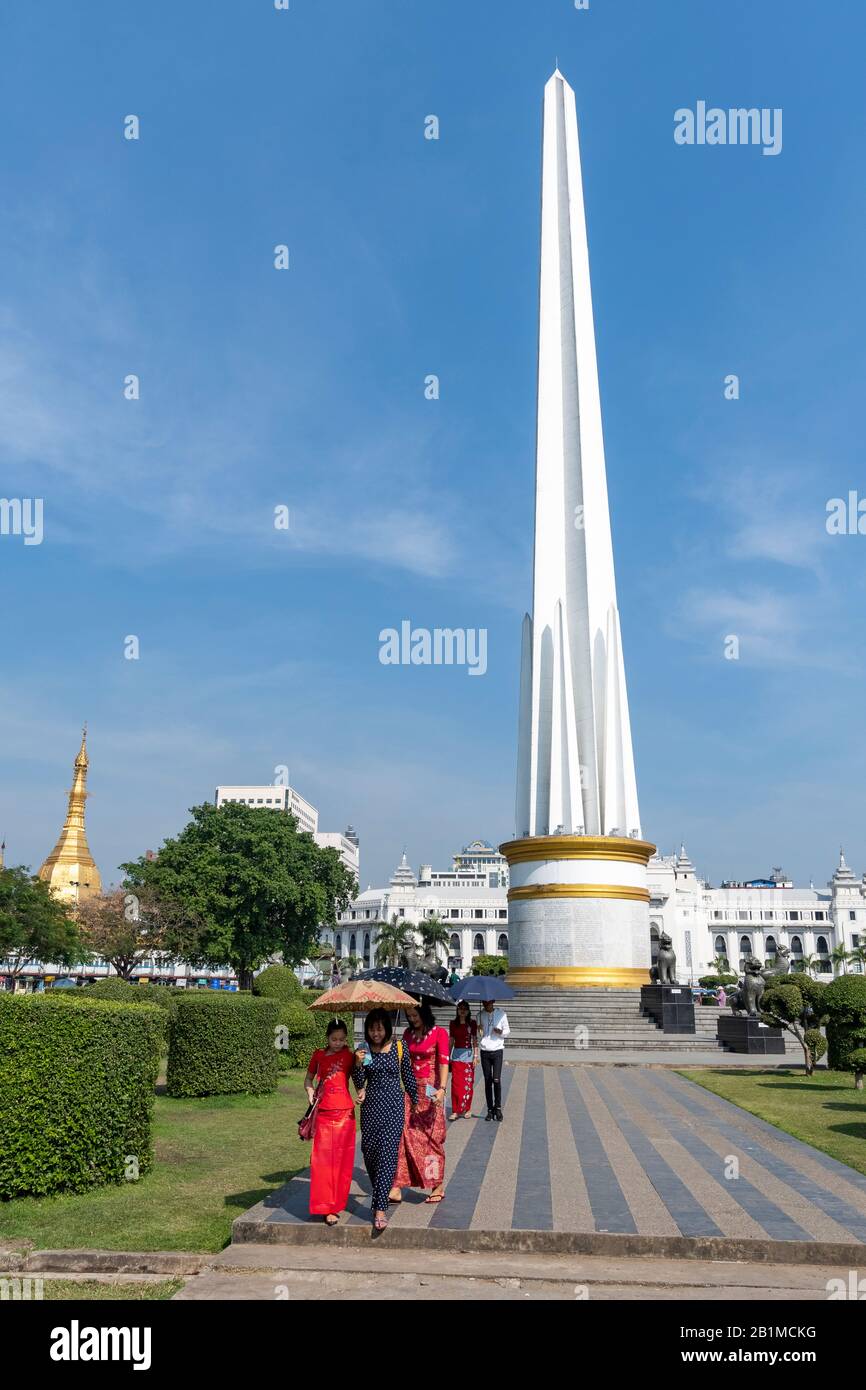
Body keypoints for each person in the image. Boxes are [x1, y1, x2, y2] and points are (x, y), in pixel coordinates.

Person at [353, 1008, 418, 1231]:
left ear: (387, 1028)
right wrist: (358, 1064)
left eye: (379, 1028)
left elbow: (408, 1076)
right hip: (371, 1107)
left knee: (388, 1154)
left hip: (393, 1107)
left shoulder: (399, 1047)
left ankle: (380, 1209)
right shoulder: (363, 1049)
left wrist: (416, 1100)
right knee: (369, 1153)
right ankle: (381, 1191)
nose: (376, 1033)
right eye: (371, 1028)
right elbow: (359, 1082)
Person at [392, 999, 450, 1203]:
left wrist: (442, 1089)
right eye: (409, 1016)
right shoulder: (407, 1035)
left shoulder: (439, 1033)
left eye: (415, 1015)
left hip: (431, 1089)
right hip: (410, 1089)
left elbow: (443, 1062)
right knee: (403, 1136)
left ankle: (437, 1185)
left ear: (424, 1013)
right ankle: (397, 1185)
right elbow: (402, 1060)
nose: (412, 1019)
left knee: (431, 1138)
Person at [304, 1019, 359, 1225]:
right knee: (321, 1161)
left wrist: (361, 1090)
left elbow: (359, 1077)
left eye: (342, 1039)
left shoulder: (350, 1055)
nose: (338, 1043)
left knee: (342, 1162)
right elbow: (308, 1079)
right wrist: (310, 1091)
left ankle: (334, 1206)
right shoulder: (318, 1055)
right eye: (334, 1039)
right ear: (327, 1037)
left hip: (345, 1114)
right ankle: (324, 1205)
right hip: (324, 1113)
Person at [478, 998, 510, 1121]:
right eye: (484, 1002)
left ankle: (498, 1108)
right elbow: (480, 1035)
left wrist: (500, 1031)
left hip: (497, 1050)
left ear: (493, 1001)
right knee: (487, 1080)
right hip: (485, 1050)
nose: (487, 1005)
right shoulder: (480, 1015)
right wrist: (479, 1029)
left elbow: (507, 1031)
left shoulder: (501, 1014)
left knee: (496, 1079)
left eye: (489, 1002)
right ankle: (490, 1110)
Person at [448, 999, 478, 1120]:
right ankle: (455, 1110)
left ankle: (467, 1108)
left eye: (465, 1009)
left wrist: (476, 1056)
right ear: (457, 1010)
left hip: (468, 1056)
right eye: (460, 1008)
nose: (462, 1011)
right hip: (456, 1056)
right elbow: (451, 1041)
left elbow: (475, 1041)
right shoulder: (453, 1024)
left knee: (467, 1084)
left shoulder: (472, 1023)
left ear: (468, 1011)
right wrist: (447, 1056)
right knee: (455, 1084)